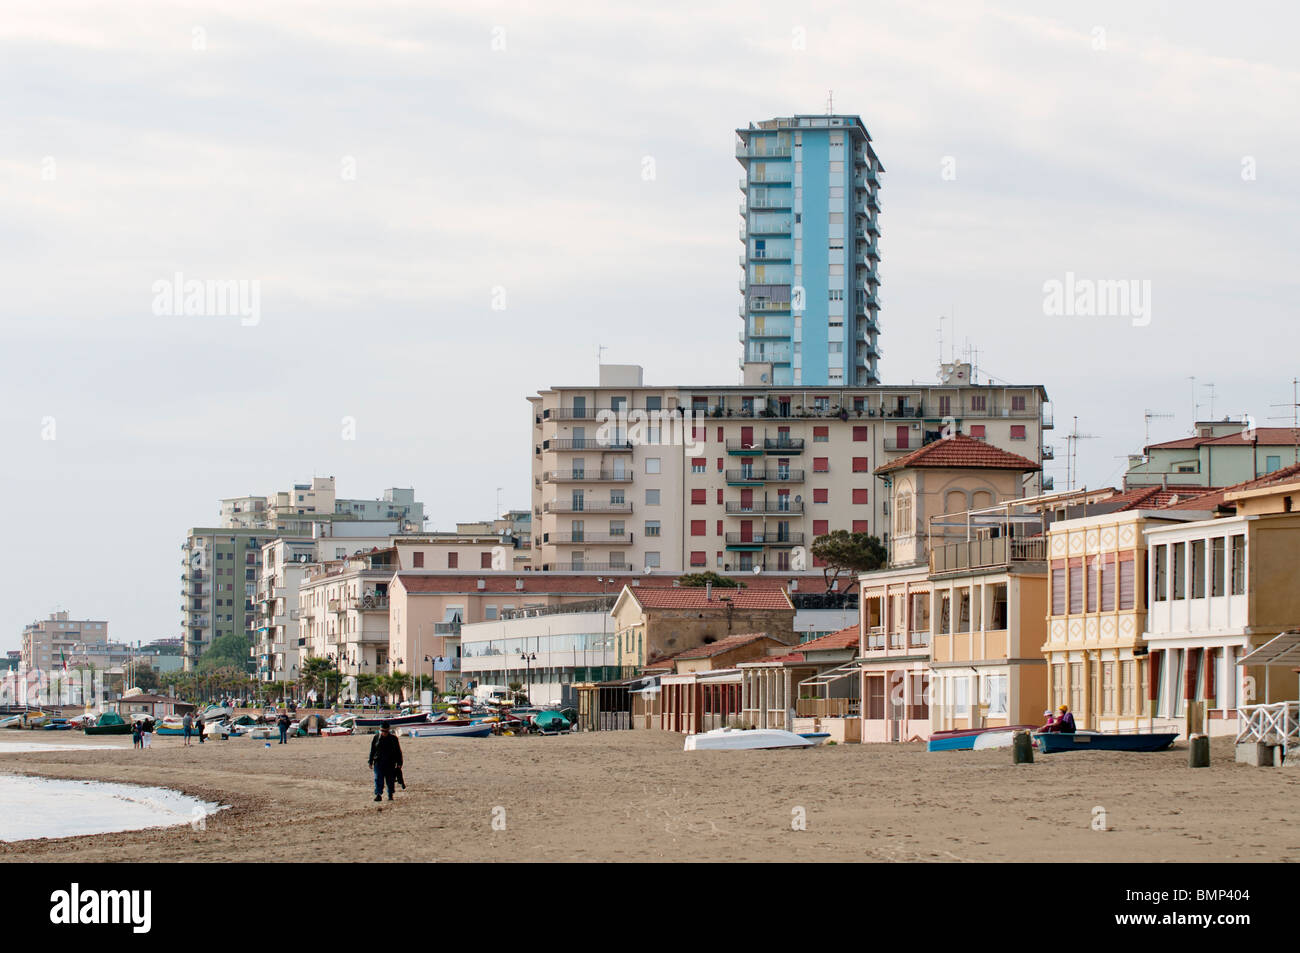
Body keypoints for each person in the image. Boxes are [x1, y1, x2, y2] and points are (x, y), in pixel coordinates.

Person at [368, 722, 403, 802]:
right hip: (378, 762)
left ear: (388, 731)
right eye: (382, 731)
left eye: (385, 731)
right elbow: (372, 750)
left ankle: (390, 795)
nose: (384, 733)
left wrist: (399, 763)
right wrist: (370, 761)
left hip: (390, 763)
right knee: (378, 779)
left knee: (390, 780)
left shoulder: (394, 739)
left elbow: (398, 752)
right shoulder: (376, 737)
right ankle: (378, 794)